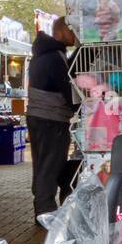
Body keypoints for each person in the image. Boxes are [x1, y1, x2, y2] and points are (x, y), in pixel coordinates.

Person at [27, 17, 80, 220]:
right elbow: (68, 90)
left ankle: (44, 208)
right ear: (61, 31)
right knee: (50, 165)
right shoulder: (55, 57)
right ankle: (45, 213)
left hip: (39, 116)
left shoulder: (43, 54)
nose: (75, 35)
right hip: (51, 118)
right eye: (72, 30)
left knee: (44, 164)